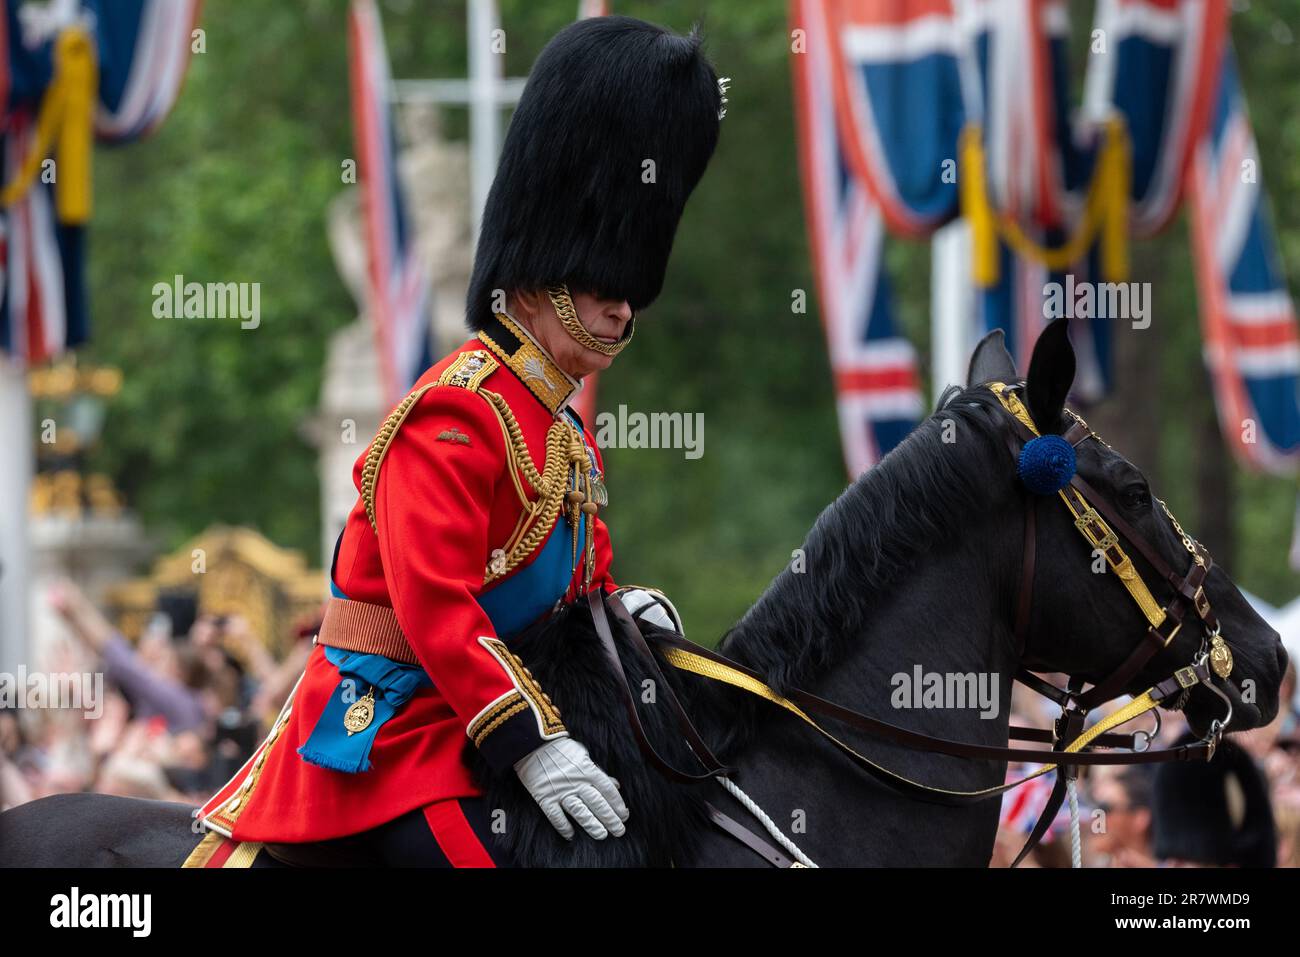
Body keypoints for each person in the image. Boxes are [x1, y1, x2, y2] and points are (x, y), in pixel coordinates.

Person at [195, 15, 723, 867]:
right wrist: (531, 741)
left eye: (629, 287)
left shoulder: (557, 426)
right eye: (602, 284)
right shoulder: (457, 410)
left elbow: (571, 588)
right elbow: (436, 607)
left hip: (477, 711)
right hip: (390, 724)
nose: (623, 307)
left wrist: (617, 615)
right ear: (537, 276)